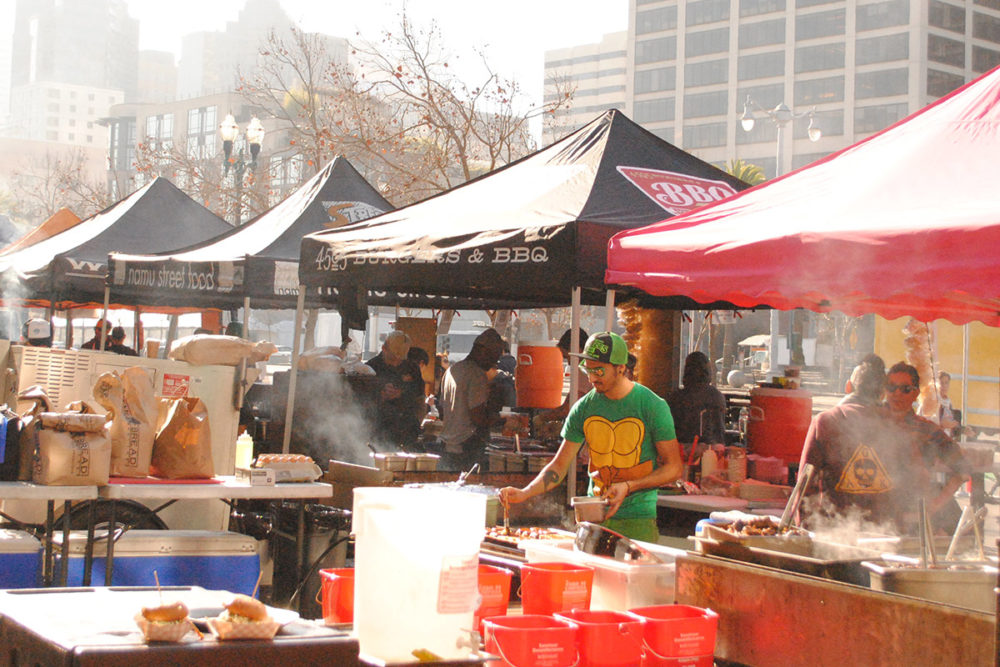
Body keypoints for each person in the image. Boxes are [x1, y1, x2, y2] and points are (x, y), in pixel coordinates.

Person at [499, 332, 683, 543]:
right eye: (588, 369)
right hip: (594, 520)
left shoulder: (652, 405)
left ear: (620, 368)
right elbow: (558, 466)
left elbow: (674, 468)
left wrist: (629, 486)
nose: (592, 377)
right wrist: (525, 492)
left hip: (637, 521)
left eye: (599, 370)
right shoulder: (583, 408)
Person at [799, 355, 915, 529]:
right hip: (886, 535)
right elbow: (913, 482)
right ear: (882, 392)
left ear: (848, 387)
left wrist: (804, 530)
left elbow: (805, 485)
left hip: (834, 533)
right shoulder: (897, 426)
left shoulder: (826, 421)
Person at [883, 361, 970, 534]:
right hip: (870, 521)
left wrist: (934, 506)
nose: (897, 393)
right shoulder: (868, 421)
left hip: (912, 520)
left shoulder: (927, 430)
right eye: (891, 387)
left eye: (905, 389)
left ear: (916, 393)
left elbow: (963, 470)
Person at [439, 328, 505, 471]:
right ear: (482, 351)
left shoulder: (452, 370)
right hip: (465, 448)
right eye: (493, 357)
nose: (494, 362)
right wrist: (502, 420)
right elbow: (478, 418)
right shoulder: (476, 374)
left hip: (447, 445)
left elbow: (442, 412)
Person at [366, 330, 424, 449]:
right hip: (380, 430)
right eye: (392, 358)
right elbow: (363, 403)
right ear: (384, 348)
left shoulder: (412, 368)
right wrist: (381, 395)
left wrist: (402, 394)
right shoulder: (370, 368)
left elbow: (420, 397)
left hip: (408, 430)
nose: (397, 362)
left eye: (400, 359)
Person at [667, 351, 727, 448]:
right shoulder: (716, 396)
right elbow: (719, 432)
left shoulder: (675, 397)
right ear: (707, 371)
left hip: (681, 451)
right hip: (711, 450)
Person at [534, 328, 592, 425]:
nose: (569, 363)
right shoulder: (588, 368)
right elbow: (568, 404)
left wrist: (541, 418)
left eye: (567, 357)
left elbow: (567, 409)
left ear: (577, 349)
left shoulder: (583, 370)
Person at [930, 371, 975, 439]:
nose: (944, 386)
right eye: (941, 383)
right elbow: (927, 423)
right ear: (936, 384)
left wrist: (963, 430)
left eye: (946, 383)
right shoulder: (931, 401)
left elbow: (951, 429)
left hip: (946, 441)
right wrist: (941, 424)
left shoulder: (948, 403)